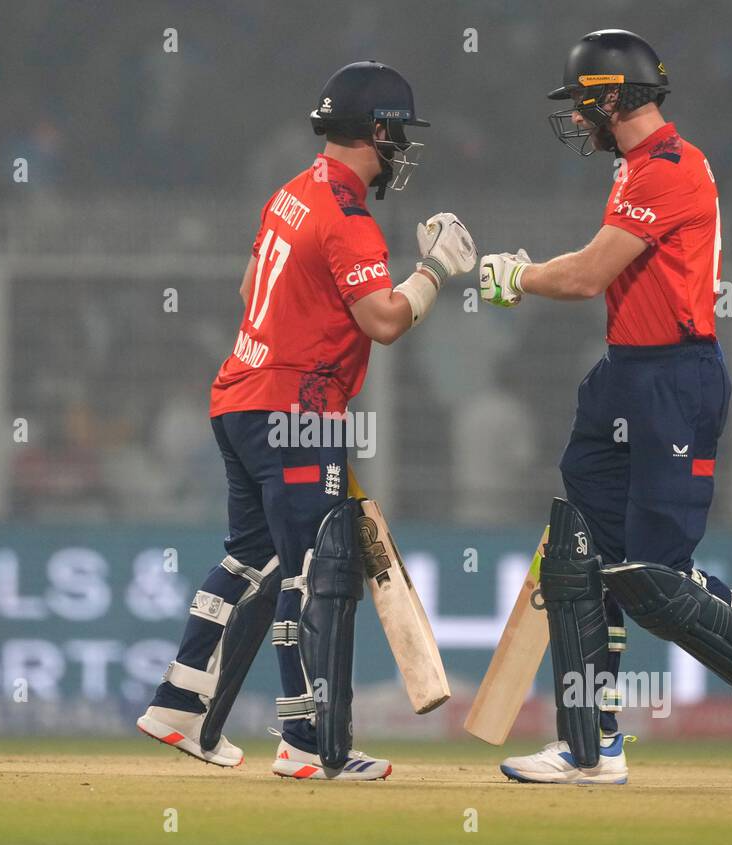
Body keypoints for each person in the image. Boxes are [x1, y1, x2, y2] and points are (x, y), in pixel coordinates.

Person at [478, 30, 732, 784]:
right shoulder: (639, 167)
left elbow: (588, 275)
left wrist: (518, 274)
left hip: (676, 380)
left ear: (611, 98)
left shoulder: (669, 168)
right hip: (626, 375)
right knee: (583, 561)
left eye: (582, 103)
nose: (577, 119)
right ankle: (589, 747)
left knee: (653, 577)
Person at [136, 60, 477, 780]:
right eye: (398, 136)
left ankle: (178, 704)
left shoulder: (290, 193)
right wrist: (435, 270)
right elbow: (383, 320)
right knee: (310, 576)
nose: (402, 151)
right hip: (298, 410)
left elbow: (247, 285)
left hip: (238, 395)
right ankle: (308, 746)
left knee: (250, 560)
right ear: (376, 132)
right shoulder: (347, 216)